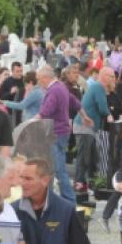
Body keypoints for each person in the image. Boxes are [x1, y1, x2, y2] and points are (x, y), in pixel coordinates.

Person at [33, 65, 82, 203]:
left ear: (45, 77)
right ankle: (49, 198)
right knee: (52, 167)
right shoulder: (61, 86)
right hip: (63, 132)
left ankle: (70, 200)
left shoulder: (53, 90)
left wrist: (32, 121)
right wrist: (84, 116)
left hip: (55, 133)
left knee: (59, 169)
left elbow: (45, 111)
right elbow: (76, 103)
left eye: (39, 80)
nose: (39, 83)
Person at [73, 67, 114, 192]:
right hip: (84, 126)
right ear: (103, 76)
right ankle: (79, 183)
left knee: (90, 157)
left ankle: (88, 183)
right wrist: (109, 115)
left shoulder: (96, 87)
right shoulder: (98, 87)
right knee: (84, 157)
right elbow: (102, 106)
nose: (113, 79)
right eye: (111, 76)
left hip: (87, 126)